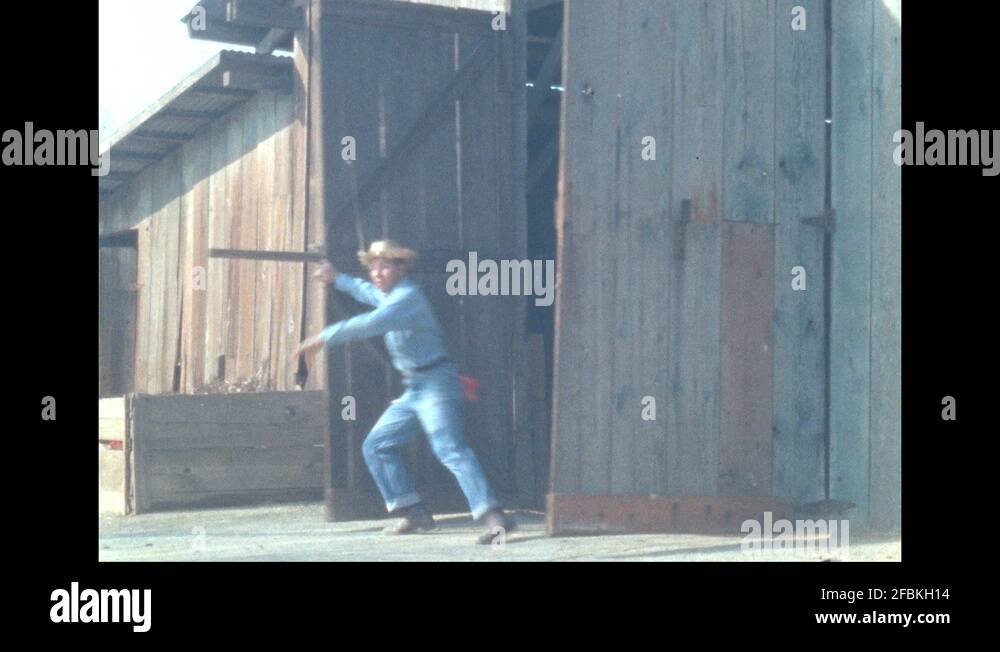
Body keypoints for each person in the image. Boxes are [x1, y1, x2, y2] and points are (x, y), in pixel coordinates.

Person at [292, 240, 515, 545]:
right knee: (377, 445)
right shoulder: (389, 295)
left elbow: (370, 323)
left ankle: (495, 518)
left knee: (450, 449)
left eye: (384, 266)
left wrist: (322, 337)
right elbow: (365, 291)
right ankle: (413, 512)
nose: (376, 273)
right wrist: (337, 278)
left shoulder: (407, 298)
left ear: (401, 268)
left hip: (436, 383)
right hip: (415, 388)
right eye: (373, 267)